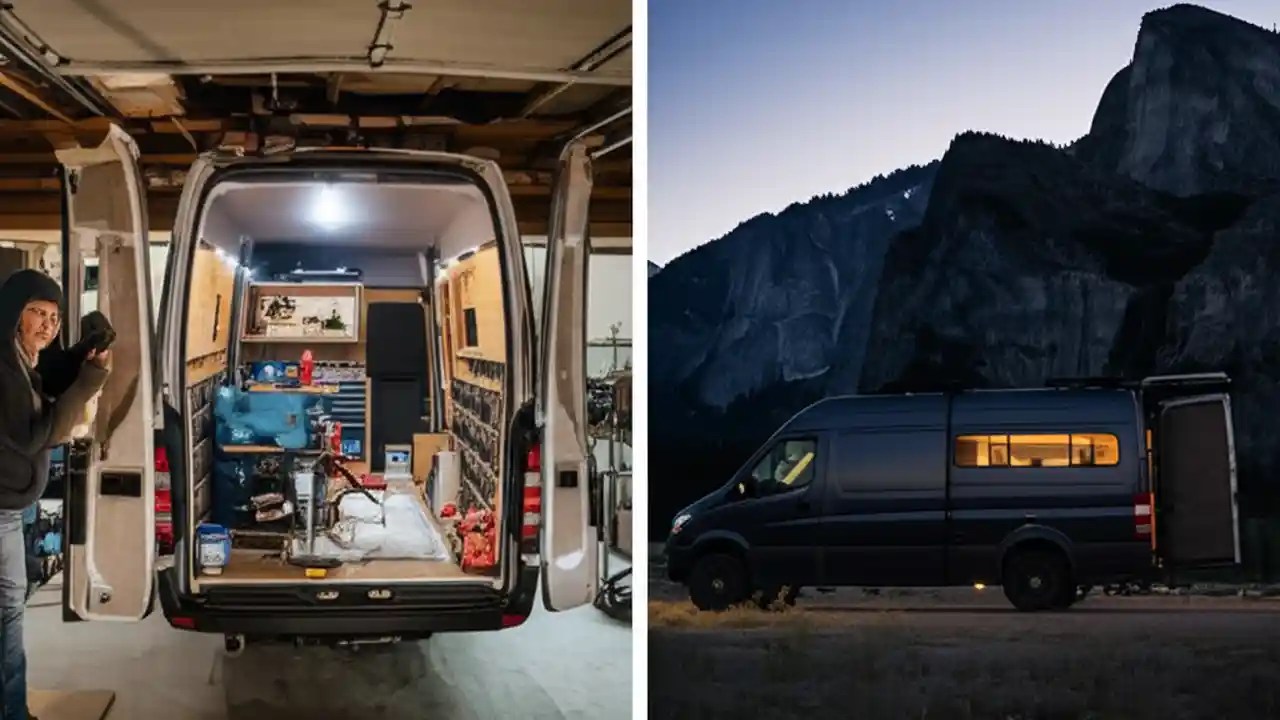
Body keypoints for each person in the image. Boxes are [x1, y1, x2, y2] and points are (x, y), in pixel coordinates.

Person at [0, 270, 111, 720]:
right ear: (14, 315)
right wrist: (90, 381)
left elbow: (50, 374)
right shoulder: (4, 370)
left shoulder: (20, 358)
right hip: (1, 511)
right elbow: (35, 435)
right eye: (37, 313)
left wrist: (85, 350)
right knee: (8, 612)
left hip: (13, 505)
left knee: (10, 605)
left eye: (54, 317)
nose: (47, 325)